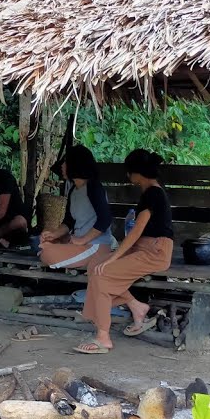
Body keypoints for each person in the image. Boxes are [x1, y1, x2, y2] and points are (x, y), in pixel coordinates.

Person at [73, 148, 174, 354]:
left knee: (102, 275)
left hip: (155, 252)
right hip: (144, 248)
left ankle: (103, 337)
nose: (128, 176)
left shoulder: (153, 193)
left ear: (138, 172)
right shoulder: (150, 193)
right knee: (94, 266)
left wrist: (113, 258)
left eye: (129, 171)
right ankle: (137, 307)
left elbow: (136, 232)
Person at [37, 144, 115, 271]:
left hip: (96, 246)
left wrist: (82, 240)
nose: (62, 166)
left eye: (65, 162)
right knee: (44, 245)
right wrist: (54, 234)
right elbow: (69, 221)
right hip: (80, 244)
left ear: (75, 164)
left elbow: (105, 219)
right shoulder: (73, 190)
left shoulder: (93, 187)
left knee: (47, 254)